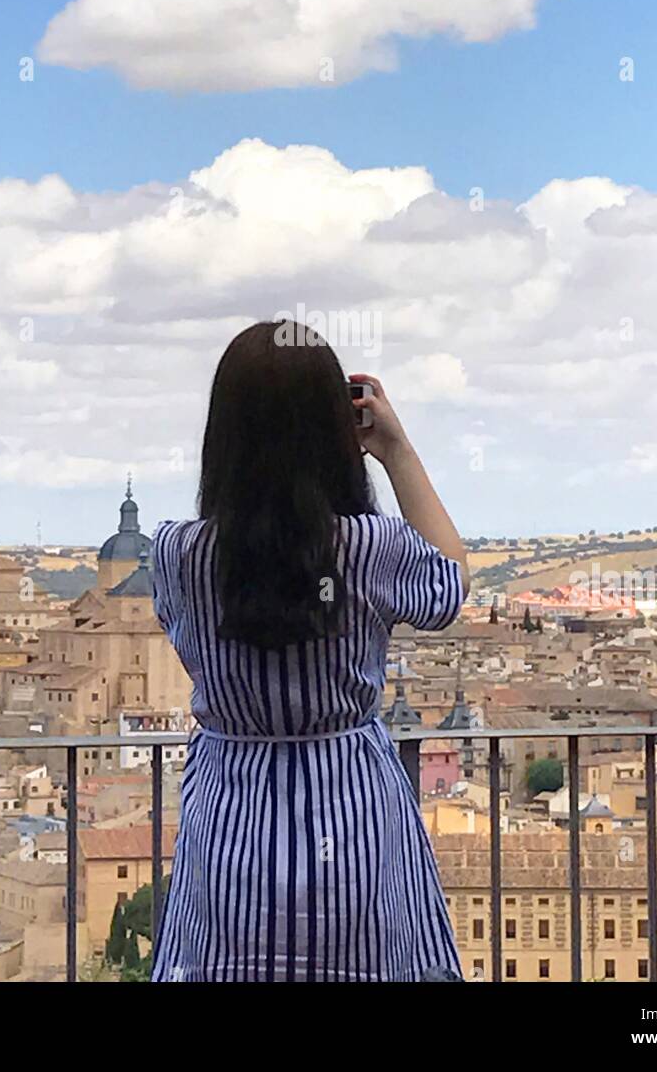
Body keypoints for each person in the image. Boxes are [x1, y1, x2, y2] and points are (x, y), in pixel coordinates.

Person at [149, 320, 469, 982]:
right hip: (350, 816)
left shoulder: (177, 553)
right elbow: (448, 585)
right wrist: (395, 450)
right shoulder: (371, 546)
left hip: (230, 822)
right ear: (334, 428)